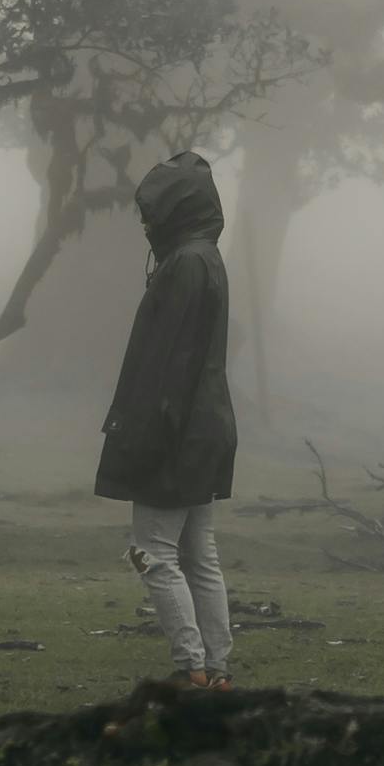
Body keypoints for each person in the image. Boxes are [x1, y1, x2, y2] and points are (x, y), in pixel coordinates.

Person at [95, 146, 237, 686]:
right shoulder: (205, 258)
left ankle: (192, 667)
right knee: (199, 555)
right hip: (202, 427)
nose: (145, 223)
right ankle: (215, 670)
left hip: (174, 430)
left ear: (176, 208)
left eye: (152, 211)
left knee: (150, 552)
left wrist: (146, 436)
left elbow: (169, 362)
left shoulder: (185, 265)